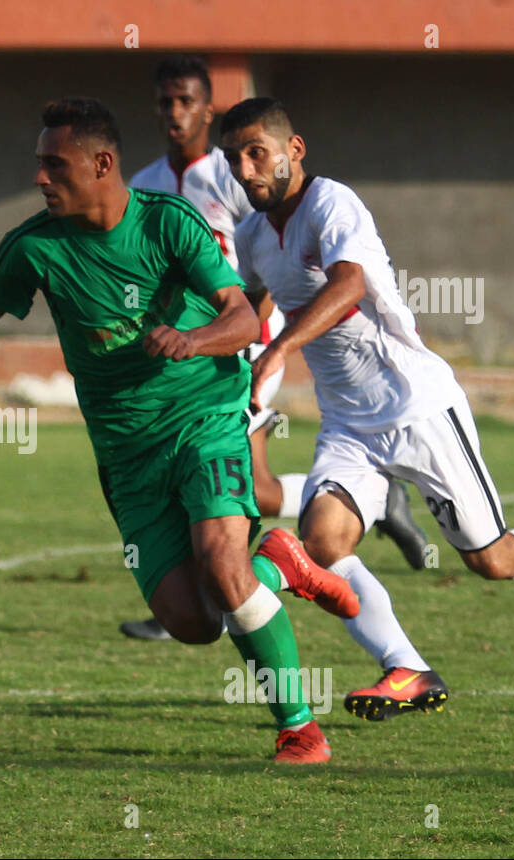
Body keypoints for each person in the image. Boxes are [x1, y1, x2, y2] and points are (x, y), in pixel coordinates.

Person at [0, 97, 360, 761]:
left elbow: (241, 318)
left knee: (224, 568)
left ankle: (299, 728)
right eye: (39, 165)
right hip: (126, 457)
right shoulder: (34, 250)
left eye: (55, 165)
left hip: (205, 419)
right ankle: (279, 562)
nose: (40, 179)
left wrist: (193, 339)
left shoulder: (168, 224)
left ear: (102, 164)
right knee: (195, 623)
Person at [218, 97, 514, 720]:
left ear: (294, 150)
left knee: (491, 560)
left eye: (256, 153)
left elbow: (349, 284)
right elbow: (247, 306)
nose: (245, 170)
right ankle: (407, 669)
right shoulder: (252, 234)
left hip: (415, 407)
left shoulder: (332, 203)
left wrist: (280, 349)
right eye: (234, 158)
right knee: (320, 542)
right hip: (347, 423)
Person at [120, 55, 426, 643]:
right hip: (190, 354)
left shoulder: (237, 171)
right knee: (253, 487)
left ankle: (211, 596)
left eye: (186, 101)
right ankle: (377, 503)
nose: (175, 113)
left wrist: (267, 342)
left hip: (245, 346)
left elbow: (265, 256)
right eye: (165, 102)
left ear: (207, 110)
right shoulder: (146, 186)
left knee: (209, 473)